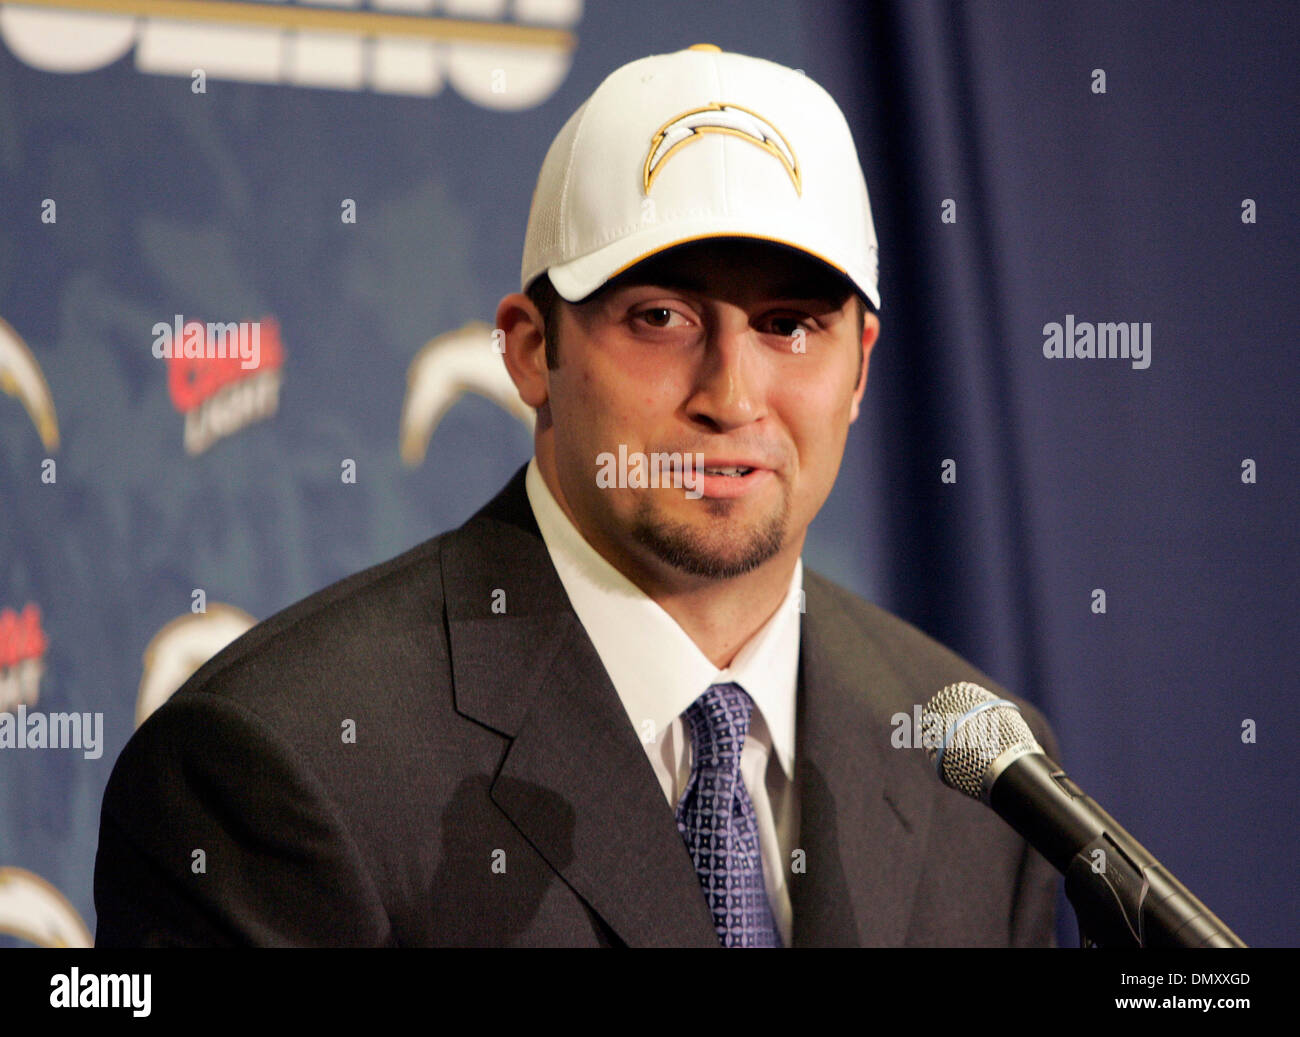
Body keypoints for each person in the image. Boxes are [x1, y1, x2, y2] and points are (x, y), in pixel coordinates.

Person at [95, 45, 1059, 947]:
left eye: (790, 325)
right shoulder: (274, 766)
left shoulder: (981, 776)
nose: (730, 394)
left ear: (858, 372)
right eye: (661, 317)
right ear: (529, 349)